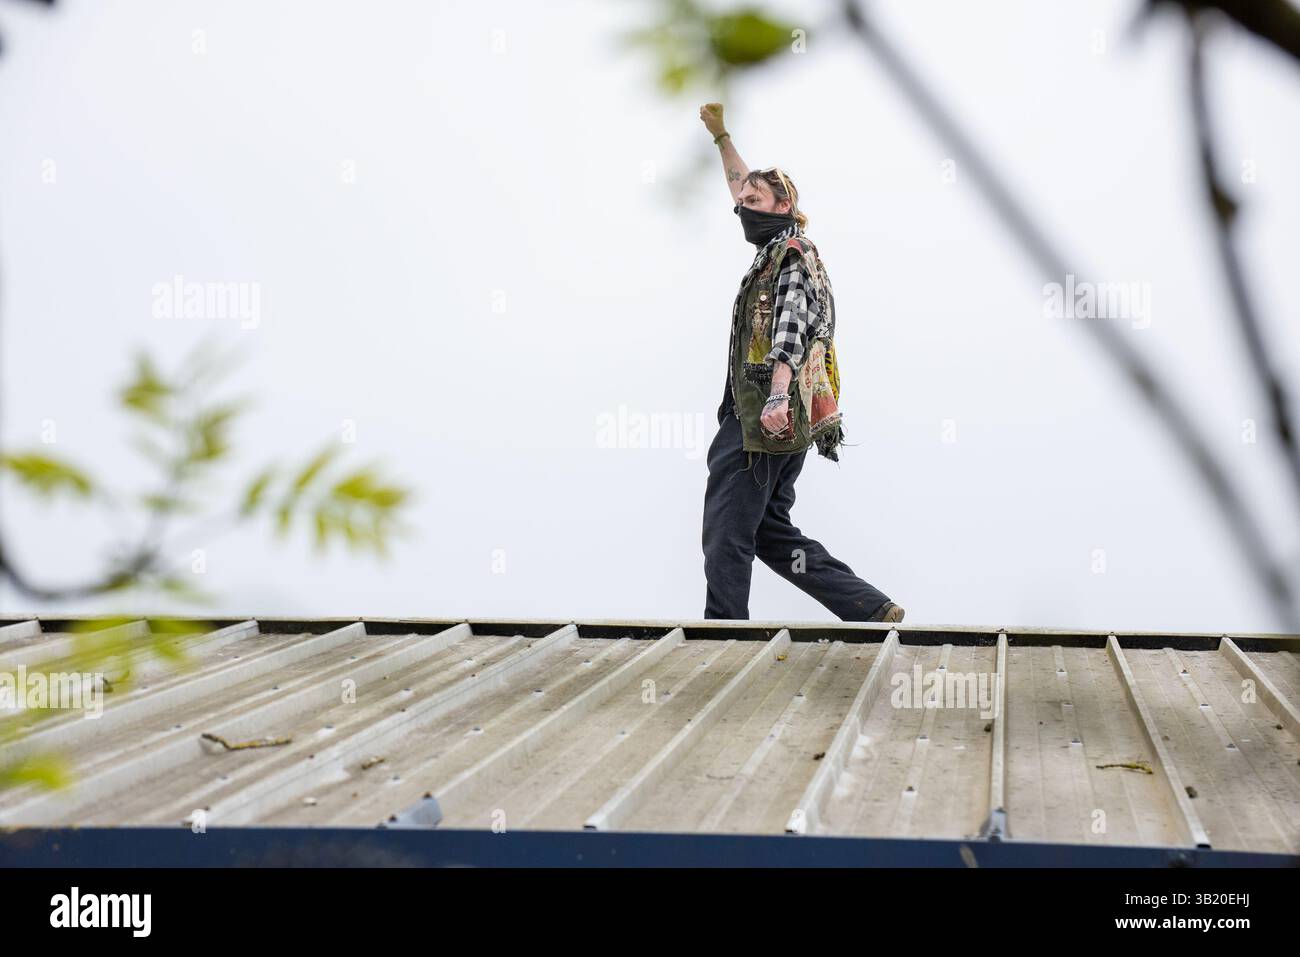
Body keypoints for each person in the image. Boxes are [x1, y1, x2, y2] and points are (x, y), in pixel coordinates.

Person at [698, 102, 904, 623]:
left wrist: (773, 397)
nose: (744, 207)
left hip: (763, 418)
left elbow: (790, 327)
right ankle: (868, 606)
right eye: (741, 200)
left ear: (784, 202)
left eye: (755, 199)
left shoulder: (789, 251)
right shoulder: (781, 246)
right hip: (785, 423)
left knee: (726, 526)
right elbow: (742, 186)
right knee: (769, 533)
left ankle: (721, 635)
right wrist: (722, 137)